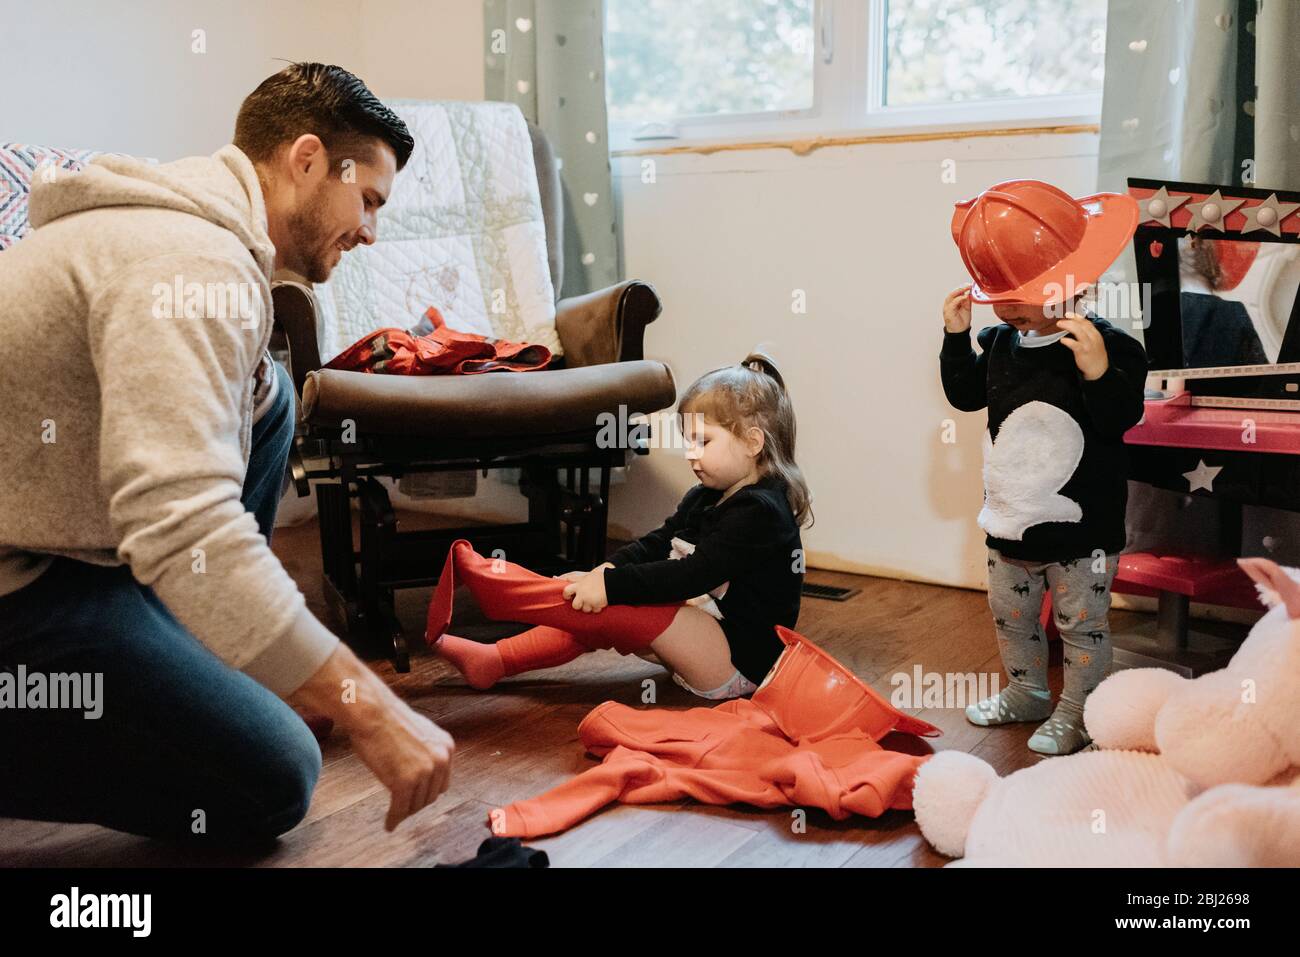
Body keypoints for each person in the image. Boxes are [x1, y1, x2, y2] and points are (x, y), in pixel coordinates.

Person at [0, 63, 453, 843]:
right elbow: (184, 523)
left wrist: (270, 651)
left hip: (59, 537)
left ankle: (205, 658)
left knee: (267, 395)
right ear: (306, 159)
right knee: (272, 776)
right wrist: (366, 705)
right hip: (20, 584)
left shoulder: (201, 237)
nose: (371, 231)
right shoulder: (193, 264)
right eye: (368, 200)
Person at [430, 354, 812, 700]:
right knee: (598, 602)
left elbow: (693, 575)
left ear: (752, 442)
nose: (690, 454)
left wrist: (611, 587)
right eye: (687, 441)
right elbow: (659, 541)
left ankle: (509, 594)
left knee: (624, 603)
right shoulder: (706, 496)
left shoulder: (761, 511)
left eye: (703, 441)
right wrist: (606, 571)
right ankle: (496, 660)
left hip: (737, 666)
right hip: (701, 641)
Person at [939, 179, 1147, 755]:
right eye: (1001, 298)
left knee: (1080, 624)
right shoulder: (1001, 344)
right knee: (1012, 615)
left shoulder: (1110, 346)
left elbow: (1120, 419)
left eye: (1020, 296)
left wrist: (1098, 371)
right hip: (1010, 523)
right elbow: (964, 396)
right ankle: (1026, 690)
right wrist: (956, 340)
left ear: (1078, 282)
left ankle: (1081, 710)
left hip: (1084, 532)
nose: (1007, 309)